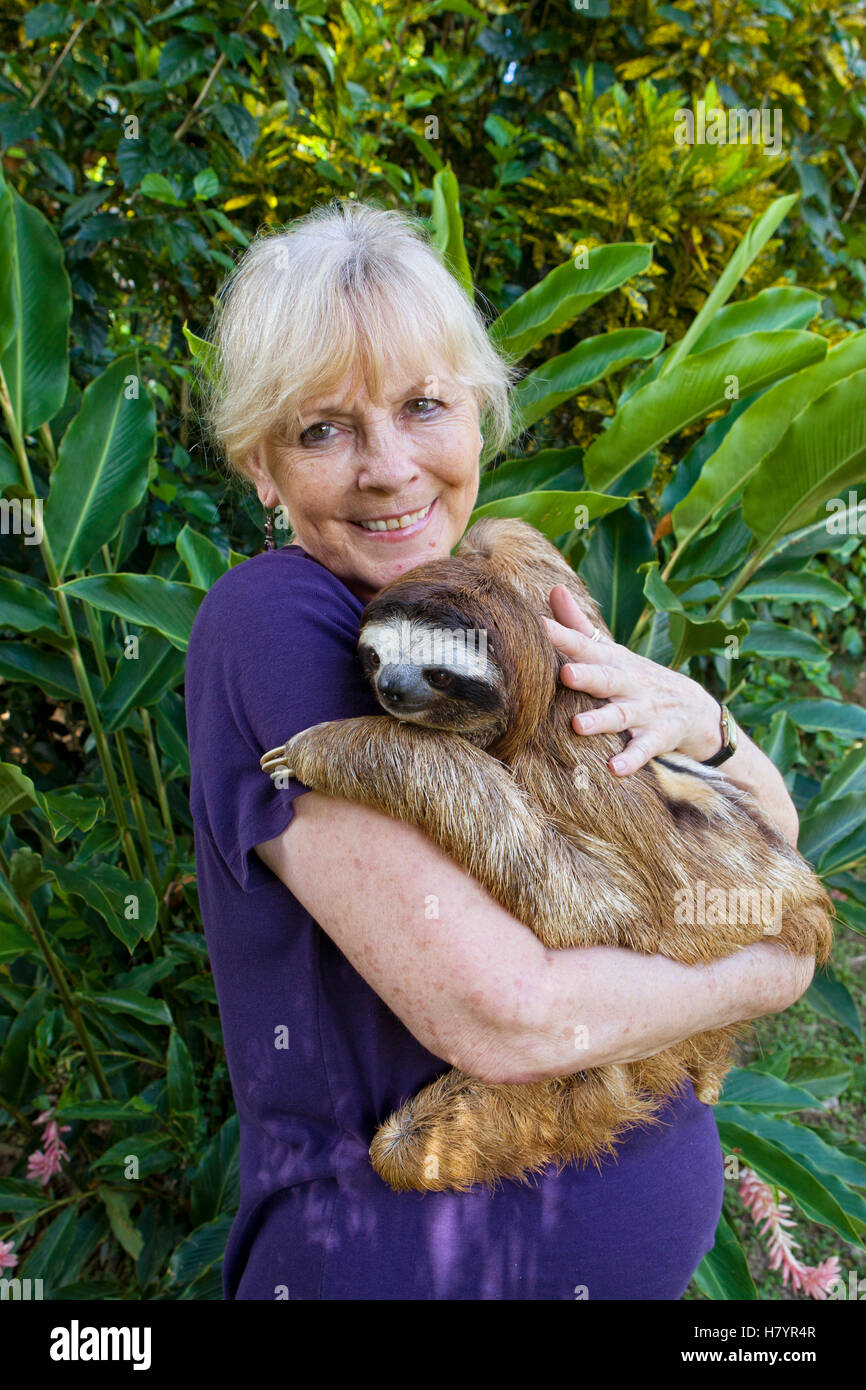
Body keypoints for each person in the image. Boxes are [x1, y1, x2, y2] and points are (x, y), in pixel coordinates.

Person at [184, 199, 814, 1301]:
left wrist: (705, 721)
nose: (389, 469)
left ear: (477, 416)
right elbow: (508, 1014)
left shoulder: (509, 586)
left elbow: (762, 837)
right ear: (259, 464)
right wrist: (768, 967)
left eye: (422, 406)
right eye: (323, 430)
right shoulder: (275, 617)